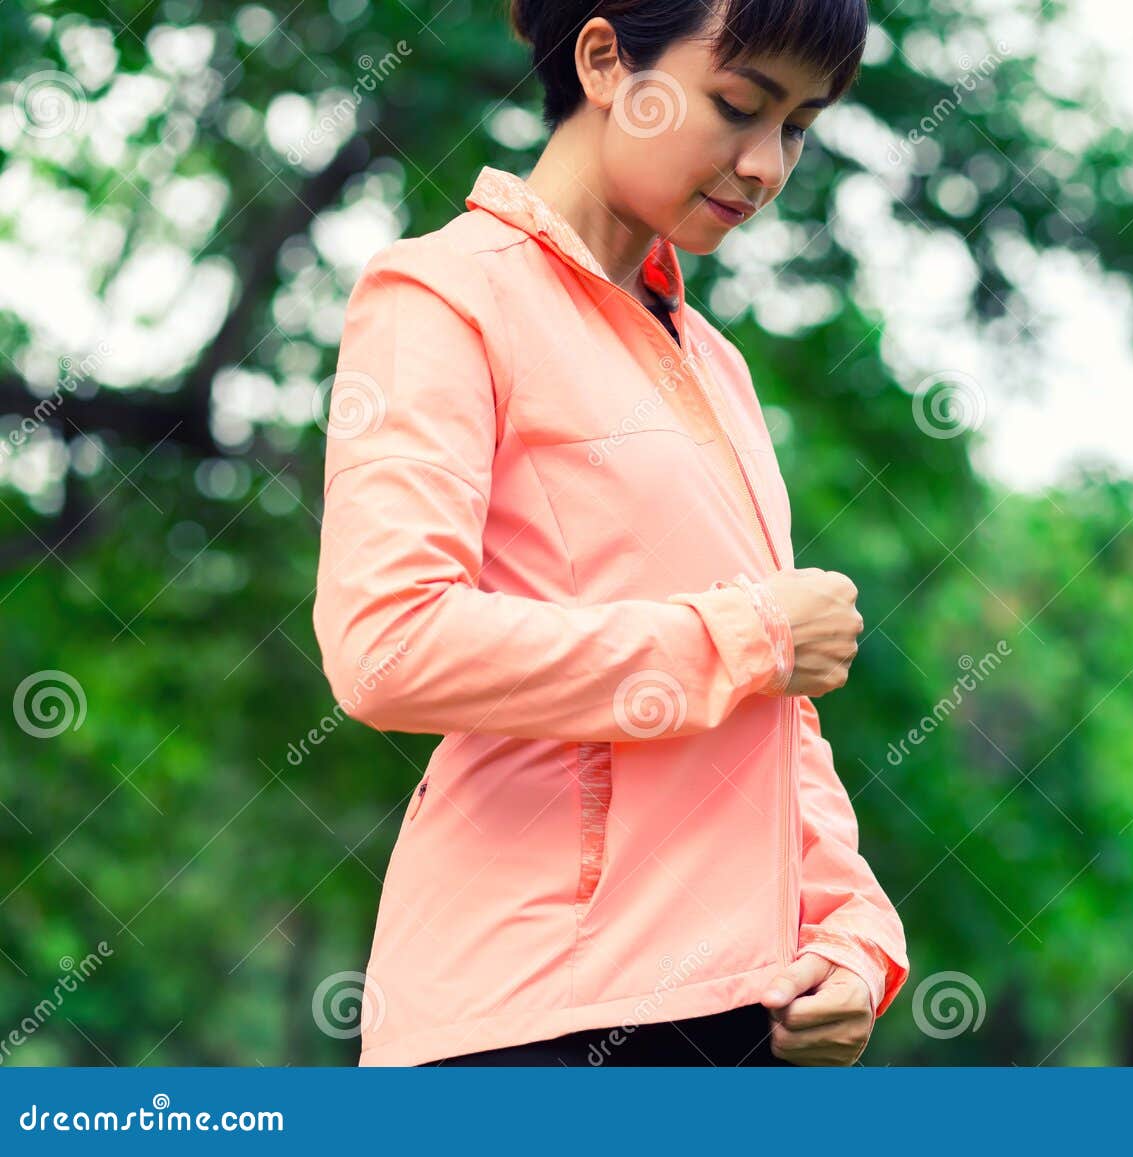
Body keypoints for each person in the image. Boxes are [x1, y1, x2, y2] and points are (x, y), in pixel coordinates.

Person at [310, 0, 910, 1067]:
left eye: (800, 126)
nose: (767, 164)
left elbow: (770, 716)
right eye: (740, 105)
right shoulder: (442, 294)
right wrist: (748, 637)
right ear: (603, 61)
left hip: (738, 1020)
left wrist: (849, 934)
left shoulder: (716, 365)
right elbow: (386, 646)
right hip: (525, 1020)